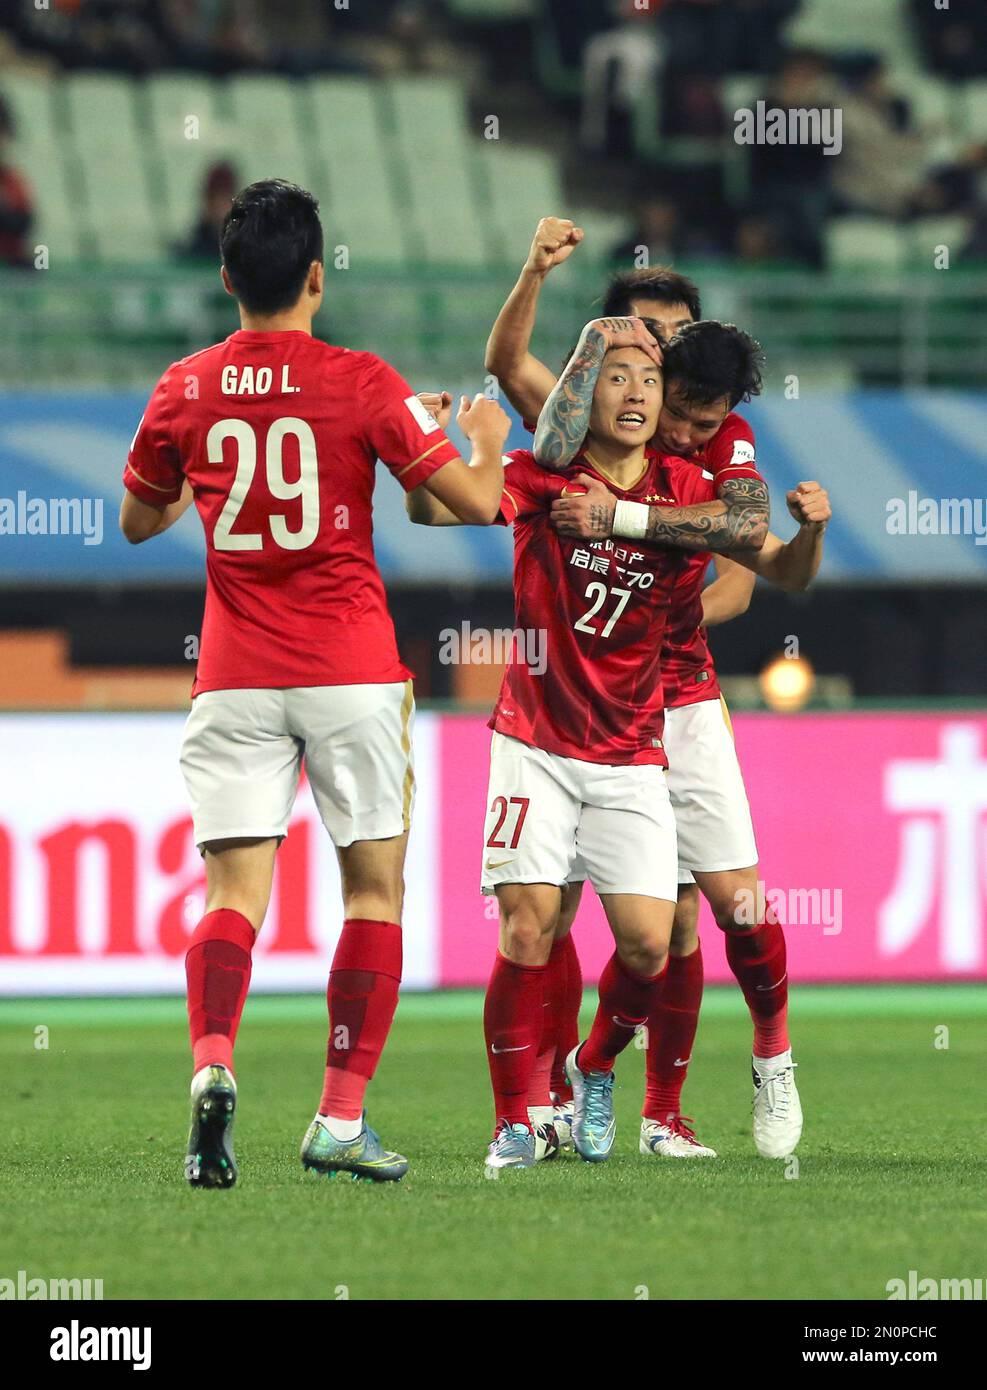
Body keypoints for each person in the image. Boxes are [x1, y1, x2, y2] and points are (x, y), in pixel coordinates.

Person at [119, 179, 509, 1187]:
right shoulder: (361, 381)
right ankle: (338, 1117)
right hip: (350, 672)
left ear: (224, 281)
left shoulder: (185, 385)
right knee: (372, 889)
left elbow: (137, 518)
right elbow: (471, 504)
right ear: (316, 279)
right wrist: (482, 442)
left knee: (232, 893)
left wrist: (198, 487)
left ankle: (213, 1069)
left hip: (236, 672)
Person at [410, 317, 784, 1169]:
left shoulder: (686, 483)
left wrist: (620, 518)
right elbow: (431, 507)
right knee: (527, 927)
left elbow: (746, 526)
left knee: (652, 947)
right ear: (585, 393)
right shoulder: (545, 477)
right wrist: (443, 444)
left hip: (631, 749)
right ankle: (514, 1120)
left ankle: (593, 1065)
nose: (635, 394)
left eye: (647, 384)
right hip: (534, 738)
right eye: (615, 379)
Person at [485, 223, 808, 1159]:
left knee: (714, 908)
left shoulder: (717, 431)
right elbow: (506, 366)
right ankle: (540, 1101)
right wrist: (534, 269)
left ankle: (693, 1095)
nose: (648, 366)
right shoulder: (578, 427)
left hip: (677, 695)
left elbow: (748, 559)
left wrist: (645, 608)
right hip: (575, 709)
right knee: (547, 916)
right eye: (631, 345)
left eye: (666, 348)